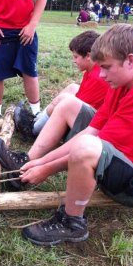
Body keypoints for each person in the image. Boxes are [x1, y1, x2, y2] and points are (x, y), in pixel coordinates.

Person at [0, 24, 133, 245]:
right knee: (73, 112)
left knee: (86, 147)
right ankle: (26, 160)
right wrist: (38, 162)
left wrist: (46, 170)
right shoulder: (120, 86)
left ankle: (72, 222)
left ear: (131, 60)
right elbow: (91, 129)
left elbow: (93, 145)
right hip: (121, 161)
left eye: (106, 67)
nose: (102, 74)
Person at [7, 30, 109, 167]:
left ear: (89, 56)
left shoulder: (98, 77)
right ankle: (36, 123)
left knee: (67, 101)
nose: (73, 60)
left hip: (93, 134)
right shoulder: (92, 71)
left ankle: (31, 141)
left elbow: (76, 106)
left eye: (76, 57)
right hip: (94, 124)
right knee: (72, 88)